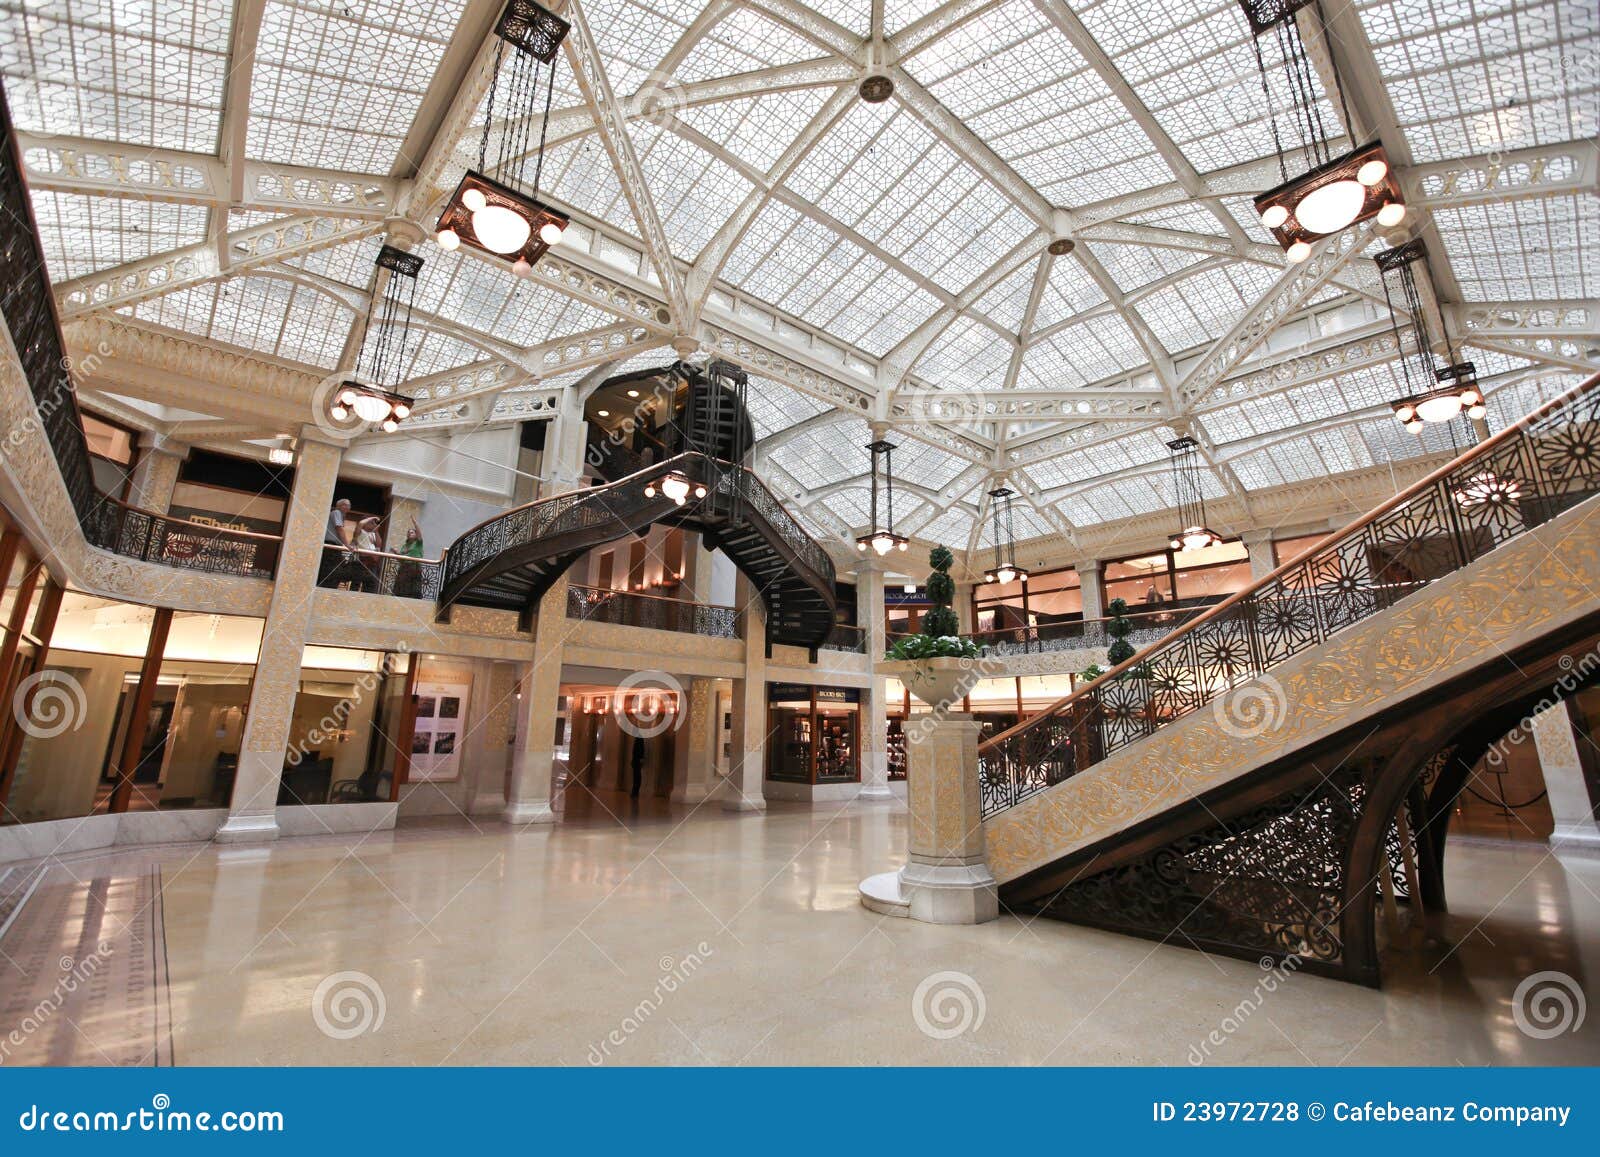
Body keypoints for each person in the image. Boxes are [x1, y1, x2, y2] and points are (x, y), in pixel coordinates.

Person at [629, 734, 646, 799]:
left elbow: (639, 750)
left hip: (637, 761)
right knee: (636, 776)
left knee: (637, 777)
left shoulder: (639, 739)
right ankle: (635, 791)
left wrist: (639, 759)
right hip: (636, 761)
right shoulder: (638, 739)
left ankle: (635, 791)